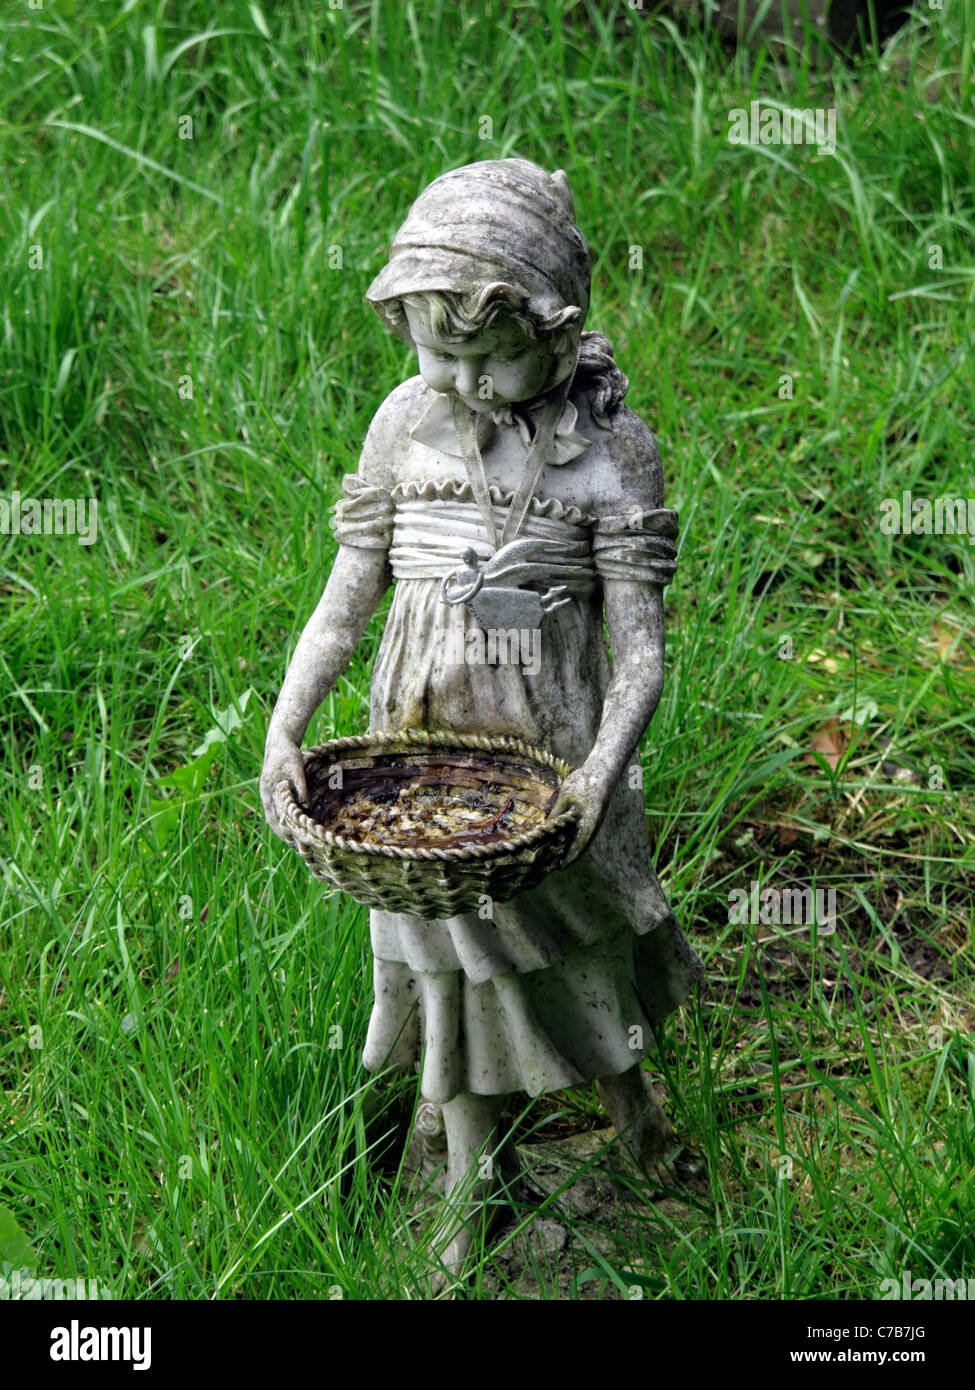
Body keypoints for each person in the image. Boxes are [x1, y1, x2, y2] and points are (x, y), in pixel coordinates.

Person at [260, 158, 703, 1284]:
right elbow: (347, 592)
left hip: (549, 748)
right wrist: (285, 719)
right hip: (410, 765)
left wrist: (600, 773)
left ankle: (631, 1107)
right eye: (436, 351)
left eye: (488, 354)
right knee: (451, 963)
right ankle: (472, 1182)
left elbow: (640, 652)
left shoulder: (612, 452)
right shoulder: (405, 422)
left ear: (558, 332)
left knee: (571, 945)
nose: (460, 379)